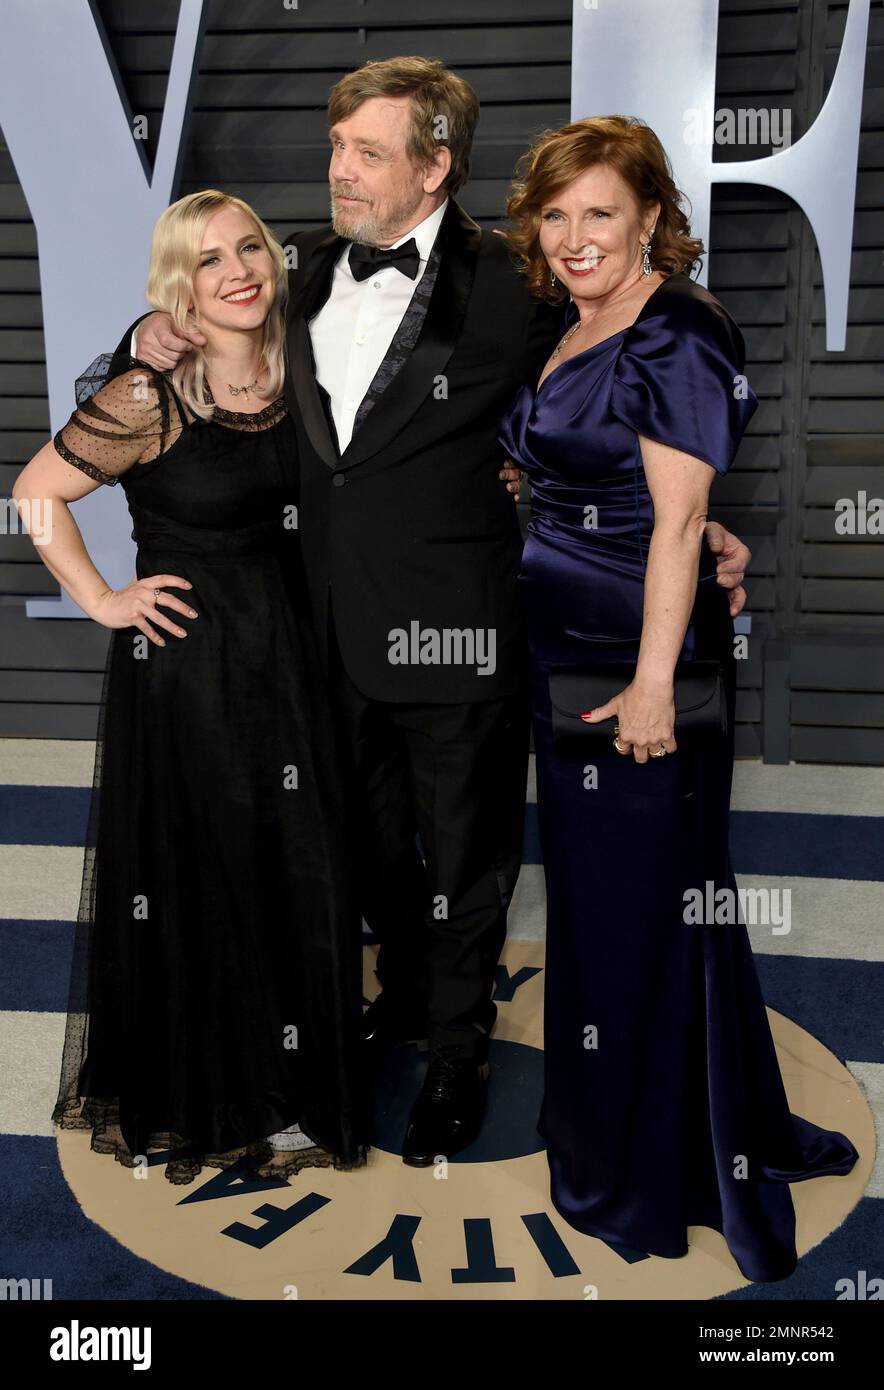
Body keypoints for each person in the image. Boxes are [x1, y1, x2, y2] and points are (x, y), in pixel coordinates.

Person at [128, 58, 752, 1167]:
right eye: (334, 148)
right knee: (366, 855)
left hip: (462, 632)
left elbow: (633, 364)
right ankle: (404, 1003)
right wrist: (147, 342)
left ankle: (458, 1055)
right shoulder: (302, 270)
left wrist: (689, 521)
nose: (338, 171)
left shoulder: (521, 279)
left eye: (366, 152)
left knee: (467, 865)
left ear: (434, 164)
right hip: (316, 630)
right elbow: (216, 345)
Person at [497, 116, 859, 1281]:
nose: (571, 237)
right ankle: (667, 1118)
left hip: (632, 666)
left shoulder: (676, 332)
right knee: (620, 902)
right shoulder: (577, 319)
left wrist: (654, 680)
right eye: (553, 216)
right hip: (568, 646)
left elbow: (669, 524)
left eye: (598, 212)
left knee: (638, 904)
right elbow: (624, 479)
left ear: (651, 214)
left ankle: (653, 1166)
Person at [13, 191, 369, 1184]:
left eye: (248, 247)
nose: (237, 271)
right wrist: (102, 599)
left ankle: (292, 1086)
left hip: (296, 659)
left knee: (297, 869)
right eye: (209, 261)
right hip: (191, 670)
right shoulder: (147, 393)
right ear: (180, 287)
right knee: (206, 873)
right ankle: (212, 1095)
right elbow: (36, 494)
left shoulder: (309, 364)